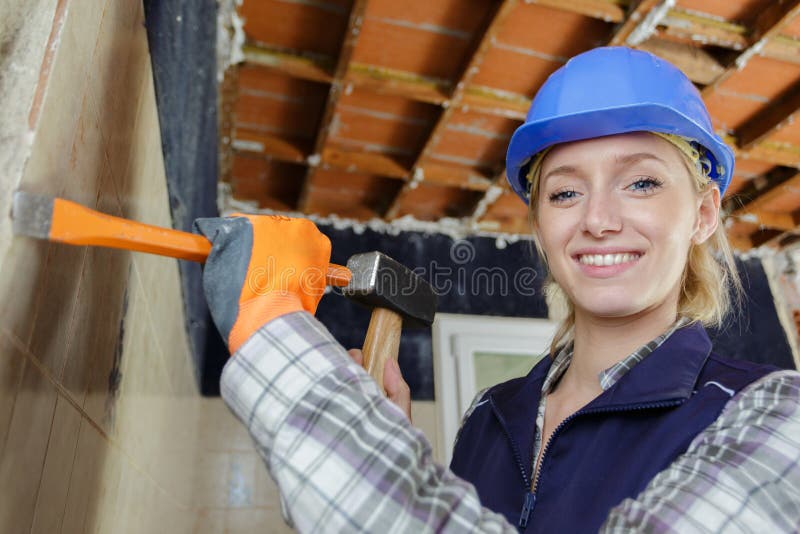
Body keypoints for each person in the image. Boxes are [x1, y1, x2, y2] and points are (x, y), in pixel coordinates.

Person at [195, 47, 800, 533]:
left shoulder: (771, 412)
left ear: (702, 213)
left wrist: (277, 333)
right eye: (565, 192)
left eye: (640, 182)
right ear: (539, 226)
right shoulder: (489, 417)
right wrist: (384, 452)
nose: (598, 219)